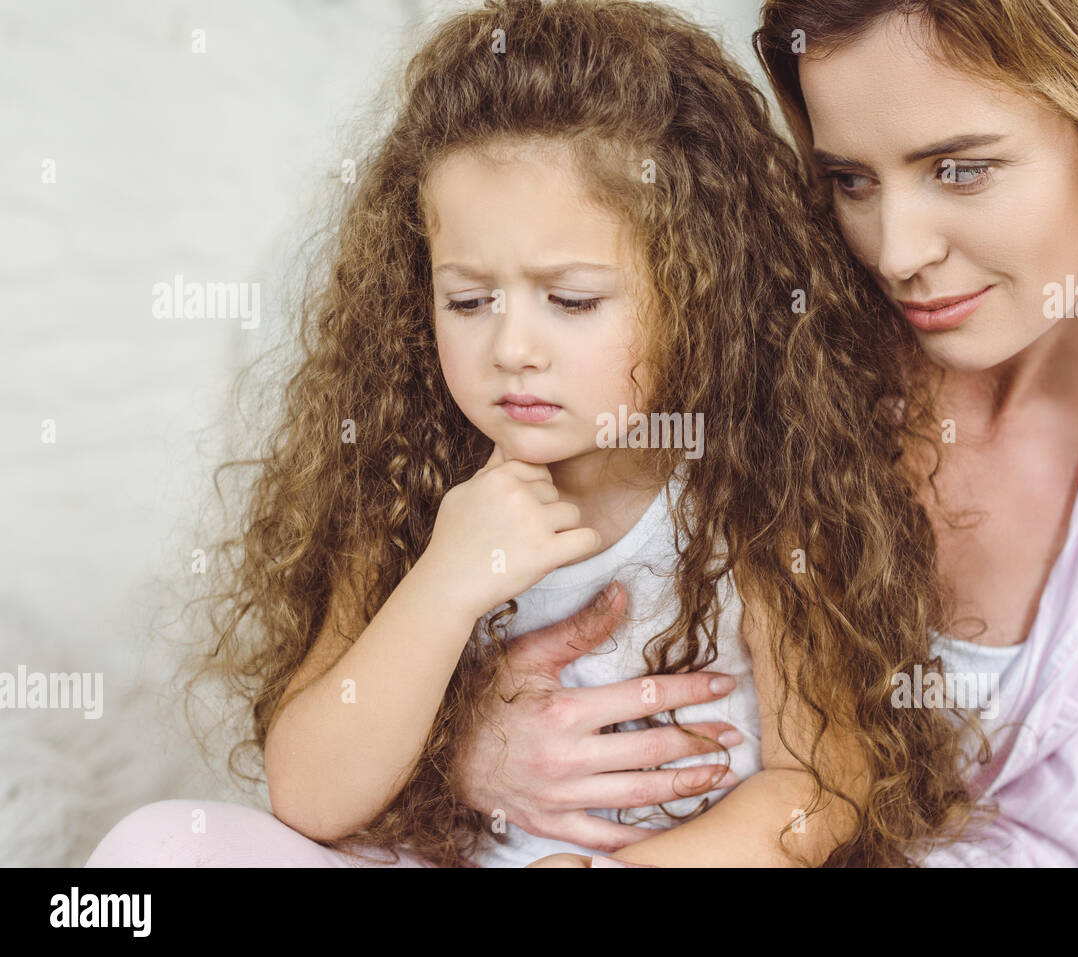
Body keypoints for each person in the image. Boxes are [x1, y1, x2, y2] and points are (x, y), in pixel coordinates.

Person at [86, 0, 986, 869]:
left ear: (701, 294)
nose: (512, 347)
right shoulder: (415, 482)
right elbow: (310, 796)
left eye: (573, 301)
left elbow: (821, 790)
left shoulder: (754, 494)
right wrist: (445, 581)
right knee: (155, 849)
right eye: (469, 300)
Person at [443, 0, 1078, 867]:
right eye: (851, 181)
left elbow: (1055, 840)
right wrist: (455, 739)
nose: (895, 251)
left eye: (960, 171)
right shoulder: (735, 328)